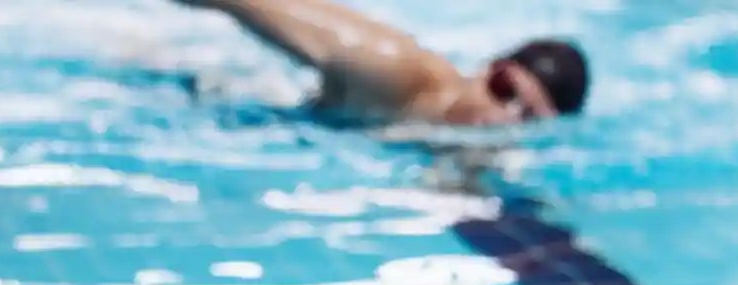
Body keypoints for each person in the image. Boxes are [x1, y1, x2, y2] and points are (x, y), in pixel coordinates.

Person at [173, 0, 589, 126]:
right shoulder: (389, 68)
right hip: (182, 49)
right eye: (504, 91)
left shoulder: (471, 146)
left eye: (527, 118)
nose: (503, 116)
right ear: (489, 68)